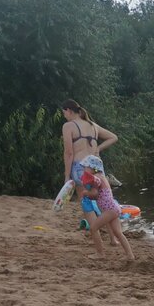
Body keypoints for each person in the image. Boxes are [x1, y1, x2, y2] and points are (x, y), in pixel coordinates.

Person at [61, 99, 118, 231]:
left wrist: (66, 176)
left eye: (64, 113)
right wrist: (98, 149)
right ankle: (113, 238)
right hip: (97, 167)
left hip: (80, 167)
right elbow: (113, 137)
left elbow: (69, 153)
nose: (64, 116)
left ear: (69, 111)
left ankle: (95, 233)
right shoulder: (93, 125)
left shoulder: (68, 126)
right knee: (104, 202)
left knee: (86, 202)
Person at [76, 155, 135, 261]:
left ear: (93, 167)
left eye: (85, 167)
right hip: (114, 208)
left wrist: (85, 193)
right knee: (118, 232)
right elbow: (99, 194)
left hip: (109, 210)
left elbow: (94, 194)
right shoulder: (102, 177)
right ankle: (130, 255)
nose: (84, 170)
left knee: (93, 228)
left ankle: (100, 253)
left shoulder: (96, 179)